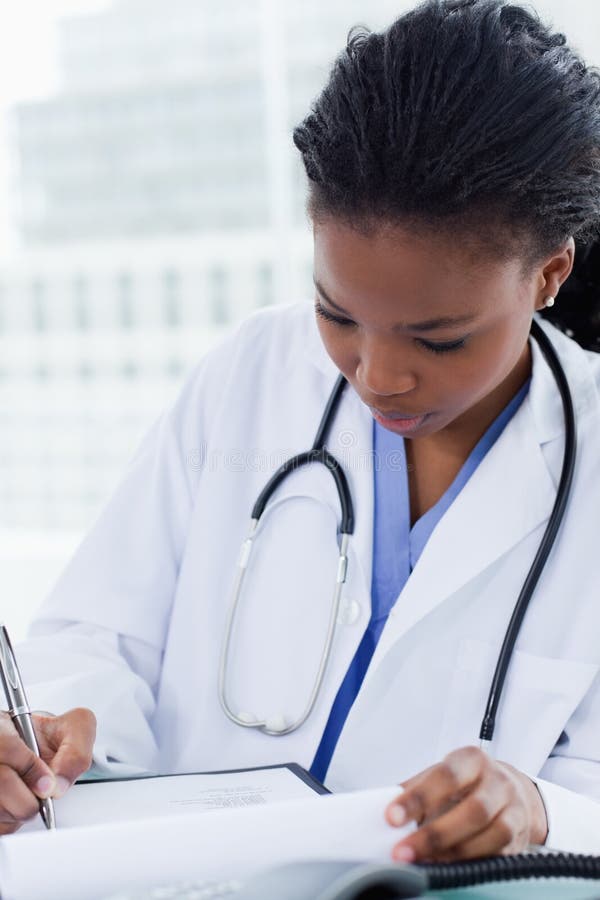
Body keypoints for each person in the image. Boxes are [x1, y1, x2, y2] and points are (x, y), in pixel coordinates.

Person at [1, 0, 600, 863]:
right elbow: (101, 635)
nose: (379, 375)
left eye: (439, 339)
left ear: (548, 275)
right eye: (337, 314)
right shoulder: (252, 373)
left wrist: (538, 808)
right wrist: (60, 726)